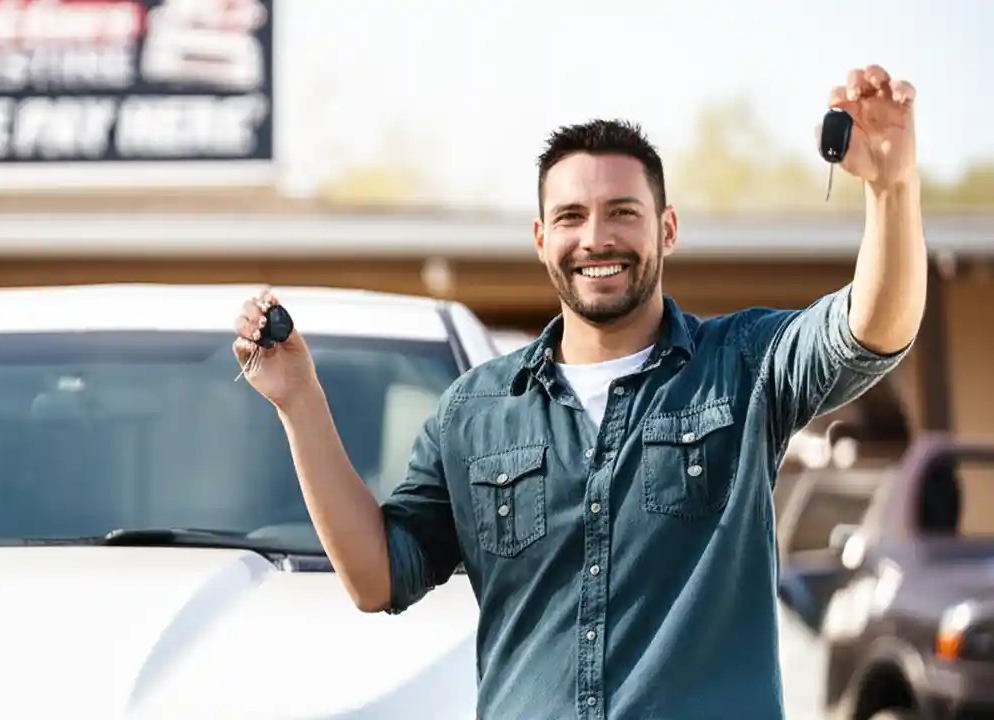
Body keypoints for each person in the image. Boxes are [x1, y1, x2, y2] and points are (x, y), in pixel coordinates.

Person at [231, 63, 925, 719]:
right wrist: (299, 400)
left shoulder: (743, 365)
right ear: (541, 238)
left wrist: (891, 191)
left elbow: (873, 327)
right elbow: (376, 577)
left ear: (667, 229)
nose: (596, 238)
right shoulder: (474, 413)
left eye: (623, 212)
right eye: (571, 217)